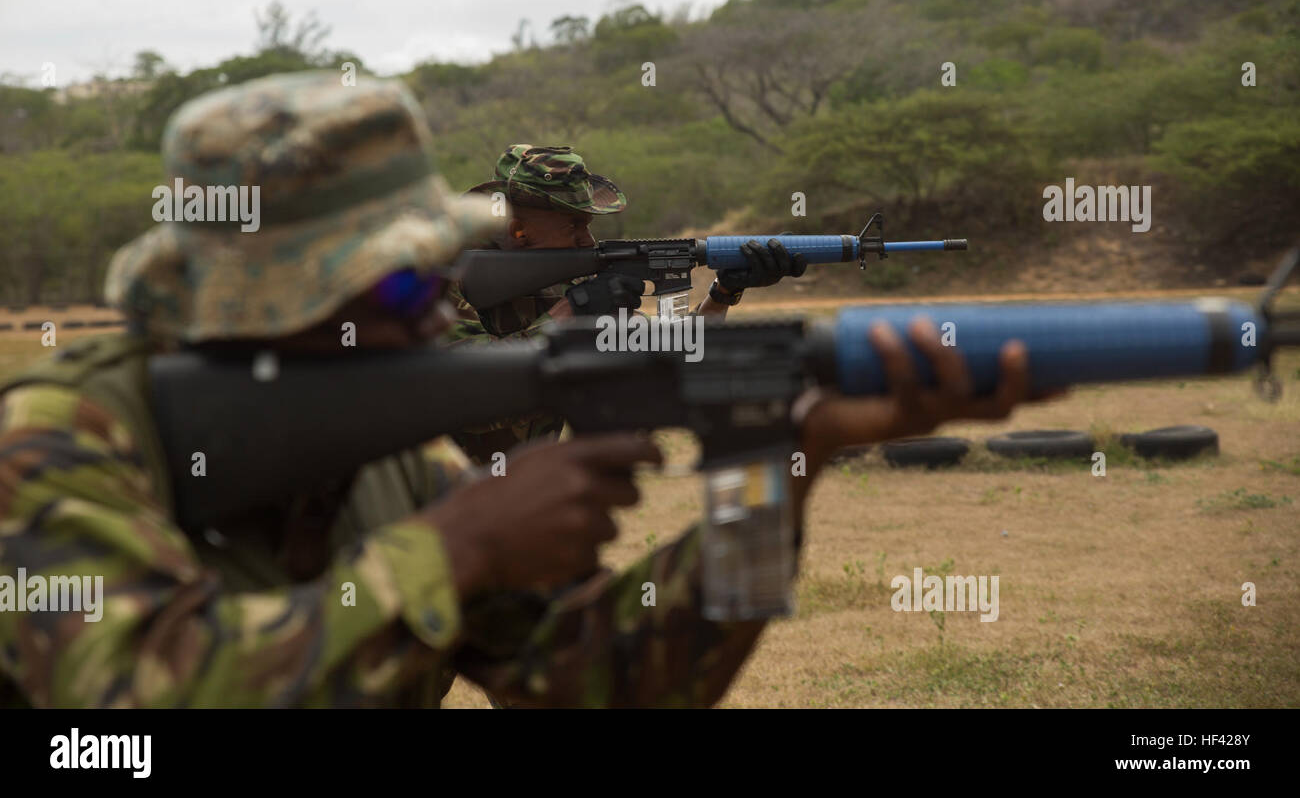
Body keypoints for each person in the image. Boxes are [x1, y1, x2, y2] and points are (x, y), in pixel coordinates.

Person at [0, 71, 1046, 708]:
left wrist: (782, 466)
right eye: (404, 280)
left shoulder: (396, 466)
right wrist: (460, 547)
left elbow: (599, 685)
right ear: (259, 301)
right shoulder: (61, 438)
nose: (428, 311)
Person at [445, 144, 808, 464]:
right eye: (574, 226)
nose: (589, 241)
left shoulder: (564, 279)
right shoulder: (437, 278)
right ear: (518, 232)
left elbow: (670, 359)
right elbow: (465, 397)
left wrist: (724, 292)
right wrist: (574, 312)